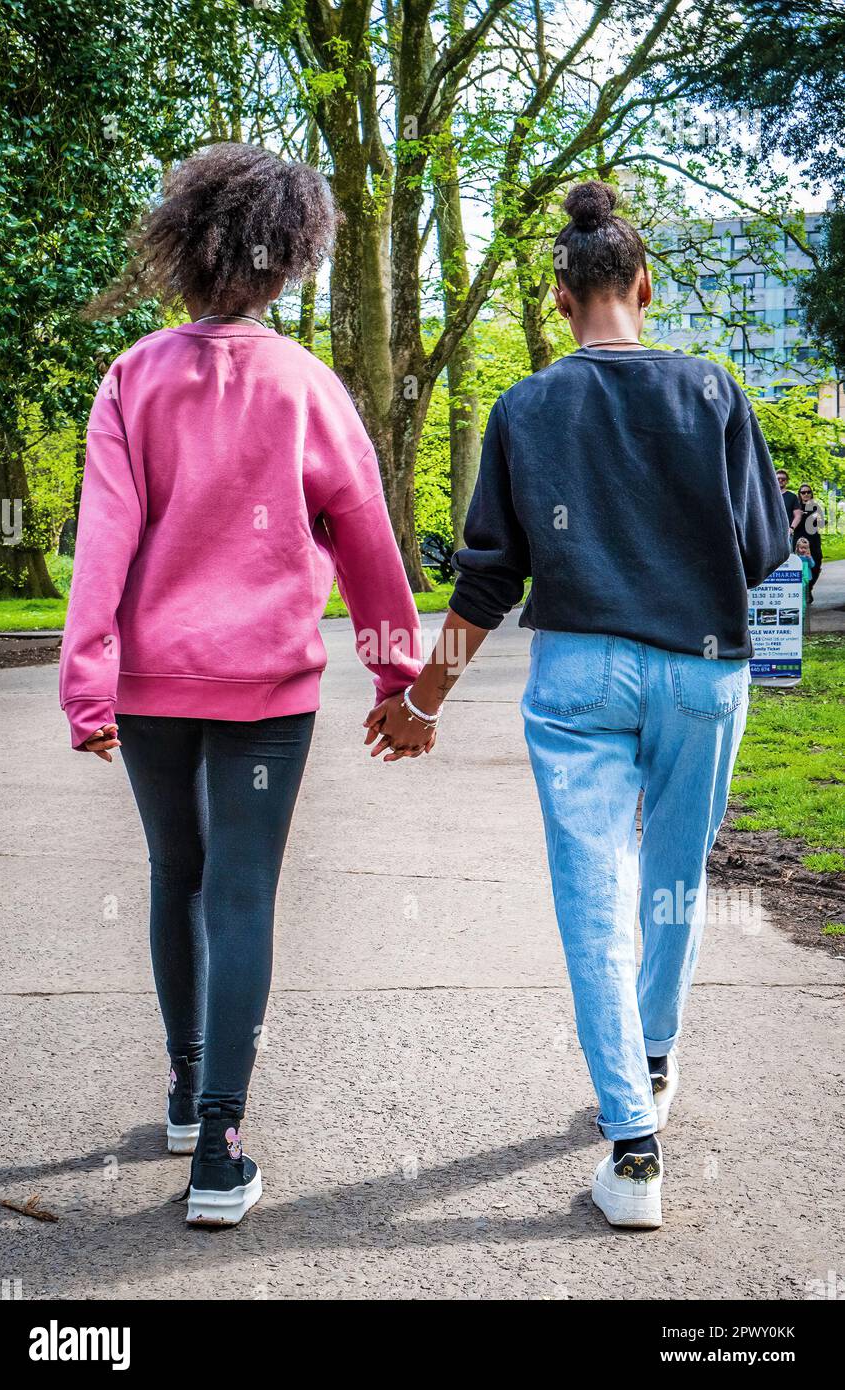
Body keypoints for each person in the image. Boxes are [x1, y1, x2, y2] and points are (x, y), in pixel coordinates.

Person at [366, 180, 791, 1230]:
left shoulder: (525, 408)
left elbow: (486, 580)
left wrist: (423, 699)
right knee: (671, 879)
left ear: (560, 299)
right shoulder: (713, 390)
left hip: (578, 677)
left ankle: (633, 1151)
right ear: (642, 287)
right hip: (701, 670)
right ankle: (651, 1058)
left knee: (590, 902)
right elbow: (759, 551)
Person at [60, 143, 422, 1228]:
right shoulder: (310, 387)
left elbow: (104, 542)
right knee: (243, 890)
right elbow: (365, 533)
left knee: (176, 869)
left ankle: (183, 1091)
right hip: (268, 685)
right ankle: (219, 1144)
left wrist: (88, 683)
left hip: (151, 680)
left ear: (188, 246)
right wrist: (396, 672)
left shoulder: (132, 375)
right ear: (288, 259)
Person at [792, 483, 823, 601]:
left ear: (811, 494)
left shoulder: (816, 507)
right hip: (799, 540)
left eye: (808, 492)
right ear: (799, 494)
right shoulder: (796, 507)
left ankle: (809, 587)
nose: (806, 494)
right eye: (803, 492)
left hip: (814, 540)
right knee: (800, 565)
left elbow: (821, 524)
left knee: (816, 564)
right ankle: (803, 591)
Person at [795, 536, 816, 616]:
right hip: (798, 578)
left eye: (805, 548)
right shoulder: (796, 558)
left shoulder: (807, 557)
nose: (803, 550)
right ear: (797, 548)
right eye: (801, 548)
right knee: (800, 593)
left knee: (805, 594)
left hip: (806, 578)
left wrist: (809, 558)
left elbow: (812, 565)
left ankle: (803, 609)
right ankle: (800, 607)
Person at [776, 469, 800, 535]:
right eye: (778, 479)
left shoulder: (792, 497)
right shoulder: (768, 495)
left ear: (787, 481)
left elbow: (798, 515)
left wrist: (792, 528)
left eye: (783, 479)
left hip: (786, 533)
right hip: (770, 532)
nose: (780, 481)